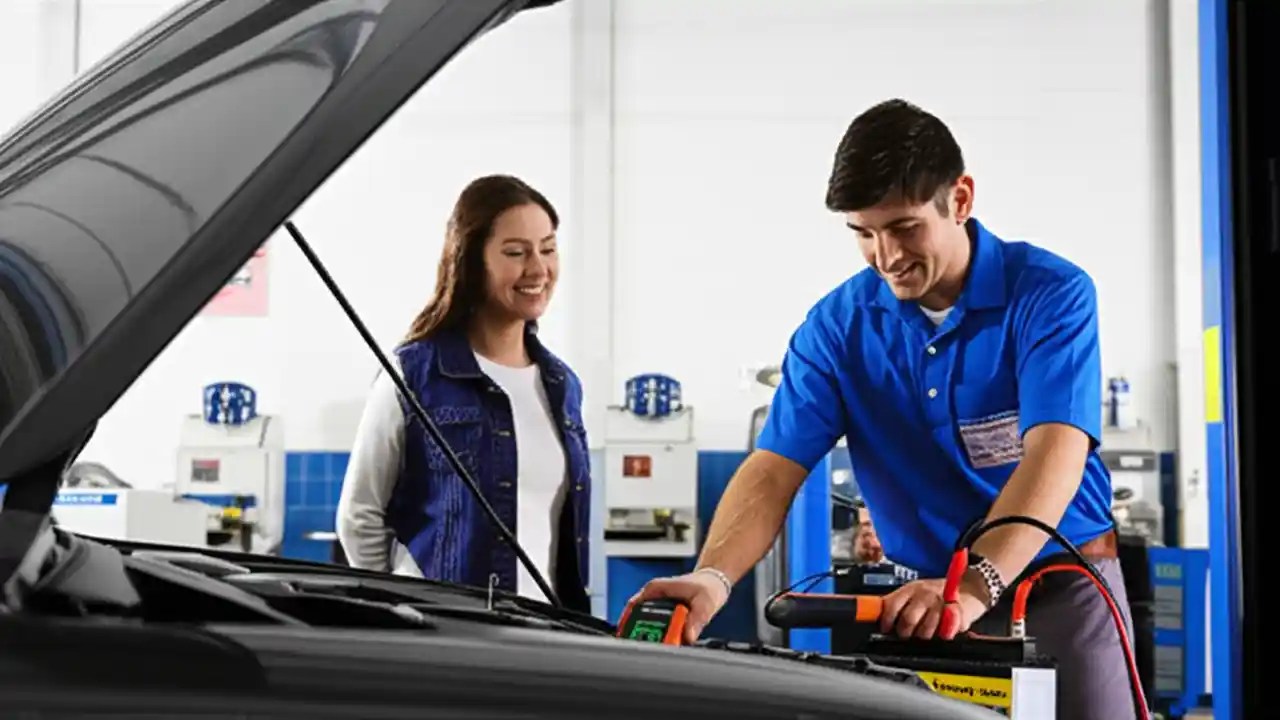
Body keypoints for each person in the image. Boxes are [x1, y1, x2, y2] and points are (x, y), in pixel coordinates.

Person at [629, 99, 1134, 720]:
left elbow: (1055, 453)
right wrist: (712, 578)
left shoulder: (1050, 295)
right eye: (864, 234)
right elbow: (774, 467)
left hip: (1056, 588)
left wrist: (978, 585)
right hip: (918, 603)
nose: (885, 256)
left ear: (961, 199)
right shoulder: (837, 327)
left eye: (903, 228)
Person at [336, 174, 593, 614]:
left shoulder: (561, 383)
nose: (538, 269)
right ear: (472, 260)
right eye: (516, 252)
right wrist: (404, 607)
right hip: (449, 636)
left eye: (548, 249)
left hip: (549, 630)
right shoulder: (412, 374)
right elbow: (359, 517)